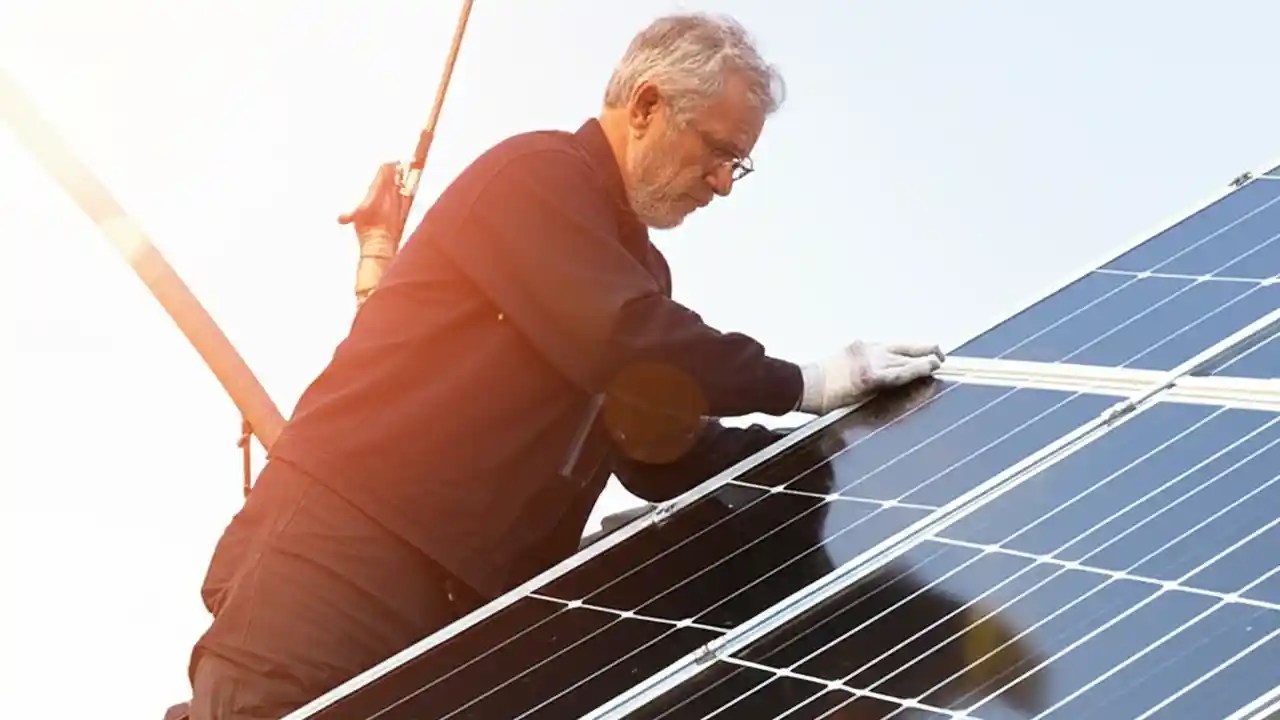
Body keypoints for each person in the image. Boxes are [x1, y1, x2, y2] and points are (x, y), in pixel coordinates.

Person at [179, 12, 945, 719]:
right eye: (718, 152)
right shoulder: (536, 179)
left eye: (736, 166)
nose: (721, 183)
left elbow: (658, 445)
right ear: (645, 106)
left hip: (453, 613)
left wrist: (843, 450)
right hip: (338, 567)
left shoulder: (636, 270)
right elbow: (620, 333)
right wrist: (805, 386)